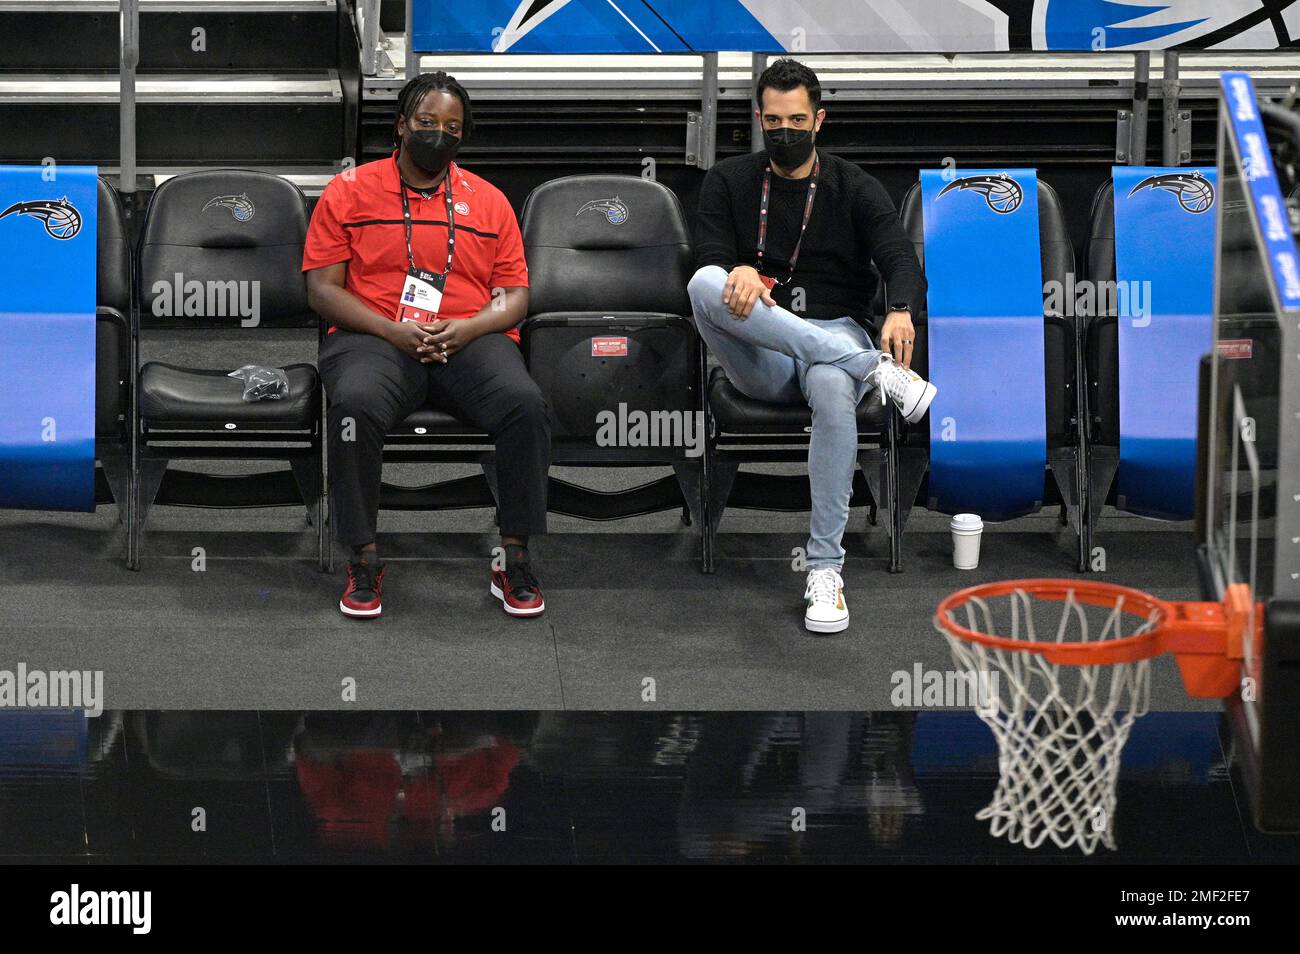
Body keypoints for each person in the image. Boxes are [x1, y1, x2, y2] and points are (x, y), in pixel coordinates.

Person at [688, 58, 936, 635]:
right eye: (772, 120)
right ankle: (873, 371)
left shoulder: (854, 185)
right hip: (762, 345)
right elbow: (706, 259)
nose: (784, 130)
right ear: (758, 120)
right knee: (704, 284)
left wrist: (899, 309)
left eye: (796, 118)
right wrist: (737, 270)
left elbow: (900, 257)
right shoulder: (729, 180)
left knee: (828, 381)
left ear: (819, 119)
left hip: (836, 328)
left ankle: (825, 569)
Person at [303, 71, 551, 620]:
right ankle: (363, 557)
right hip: (375, 335)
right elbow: (322, 289)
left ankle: (515, 555)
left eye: (452, 127)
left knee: (525, 406)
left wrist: (467, 328)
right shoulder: (348, 191)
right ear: (400, 126)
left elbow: (514, 298)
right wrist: (392, 329)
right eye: (426, 123)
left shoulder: (489, 202)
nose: (438, 134)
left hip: (469, 337)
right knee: (354, 407)